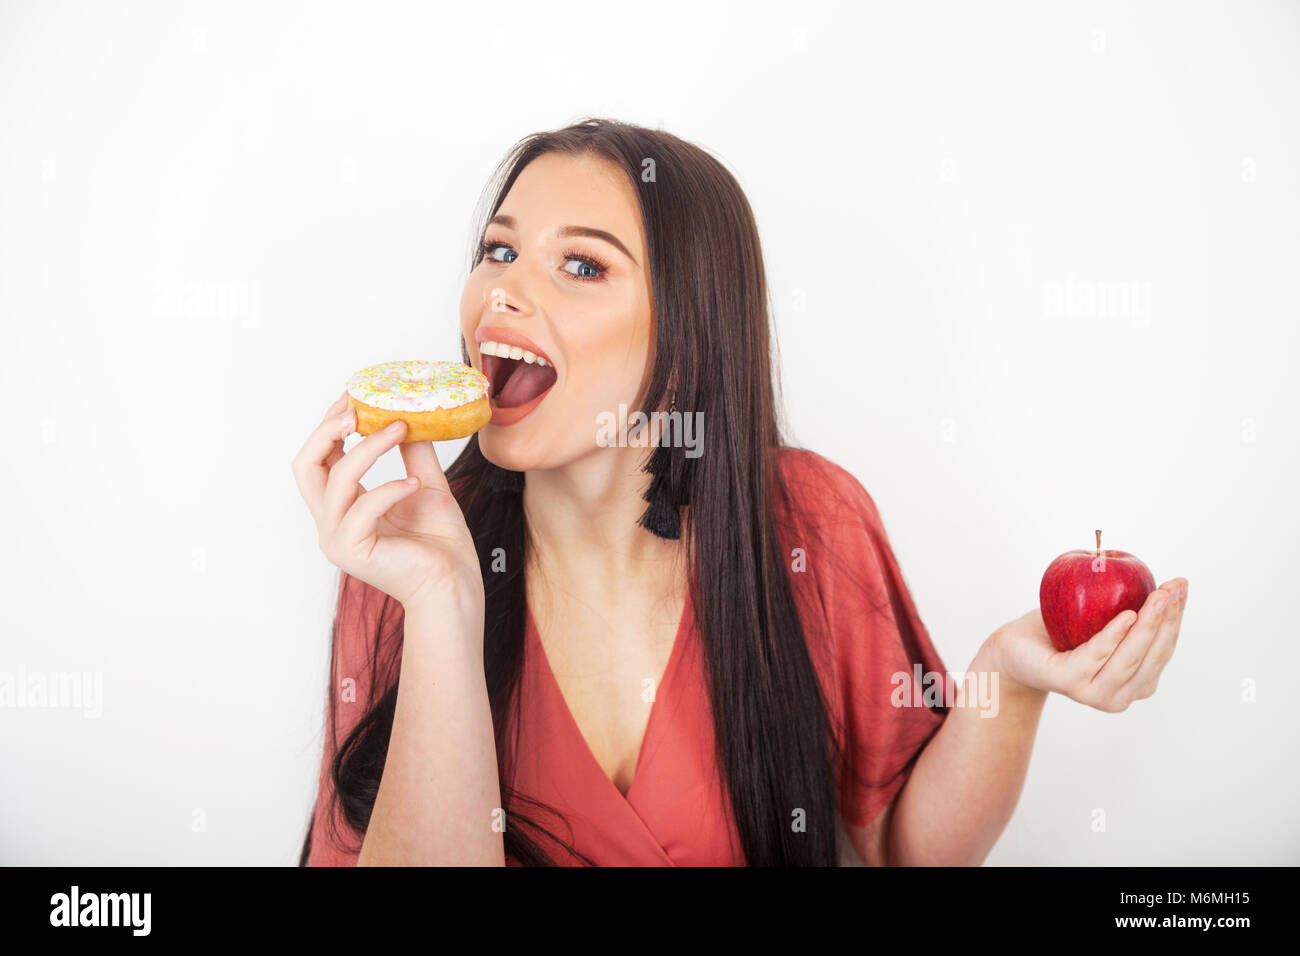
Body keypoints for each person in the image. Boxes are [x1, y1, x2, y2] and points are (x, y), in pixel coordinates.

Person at [290, 117, 1188, 866]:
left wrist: (1012, 672)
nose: (501, 292)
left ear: (690, 332)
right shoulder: (405, 555)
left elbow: (901, 853)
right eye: (498, 250)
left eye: (582, 266)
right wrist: (445, 605)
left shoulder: (810, 524)